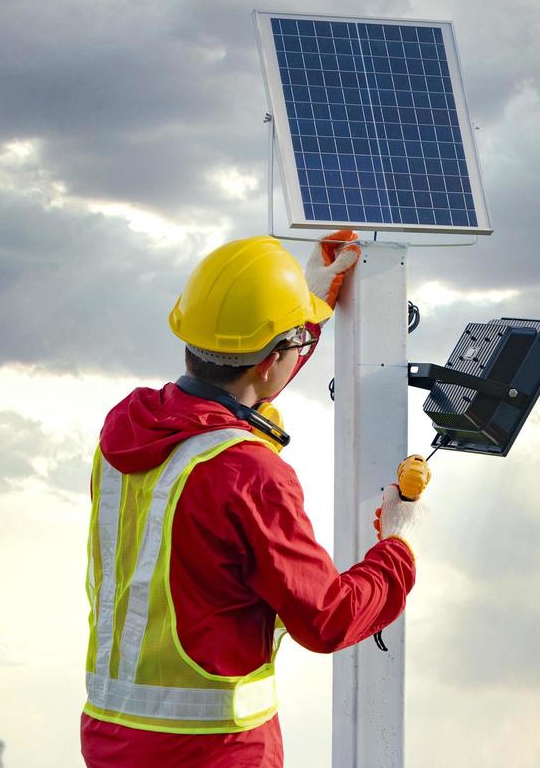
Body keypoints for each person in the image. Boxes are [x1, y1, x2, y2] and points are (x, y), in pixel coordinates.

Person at [80, 231, 427, 767]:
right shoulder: (249, 473)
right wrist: (399, 545)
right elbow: (327, 618)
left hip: (112, 740)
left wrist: (303, 311)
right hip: (215, 750)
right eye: (296, 348)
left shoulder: (127, 428)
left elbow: (223, 401)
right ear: (269, 362)